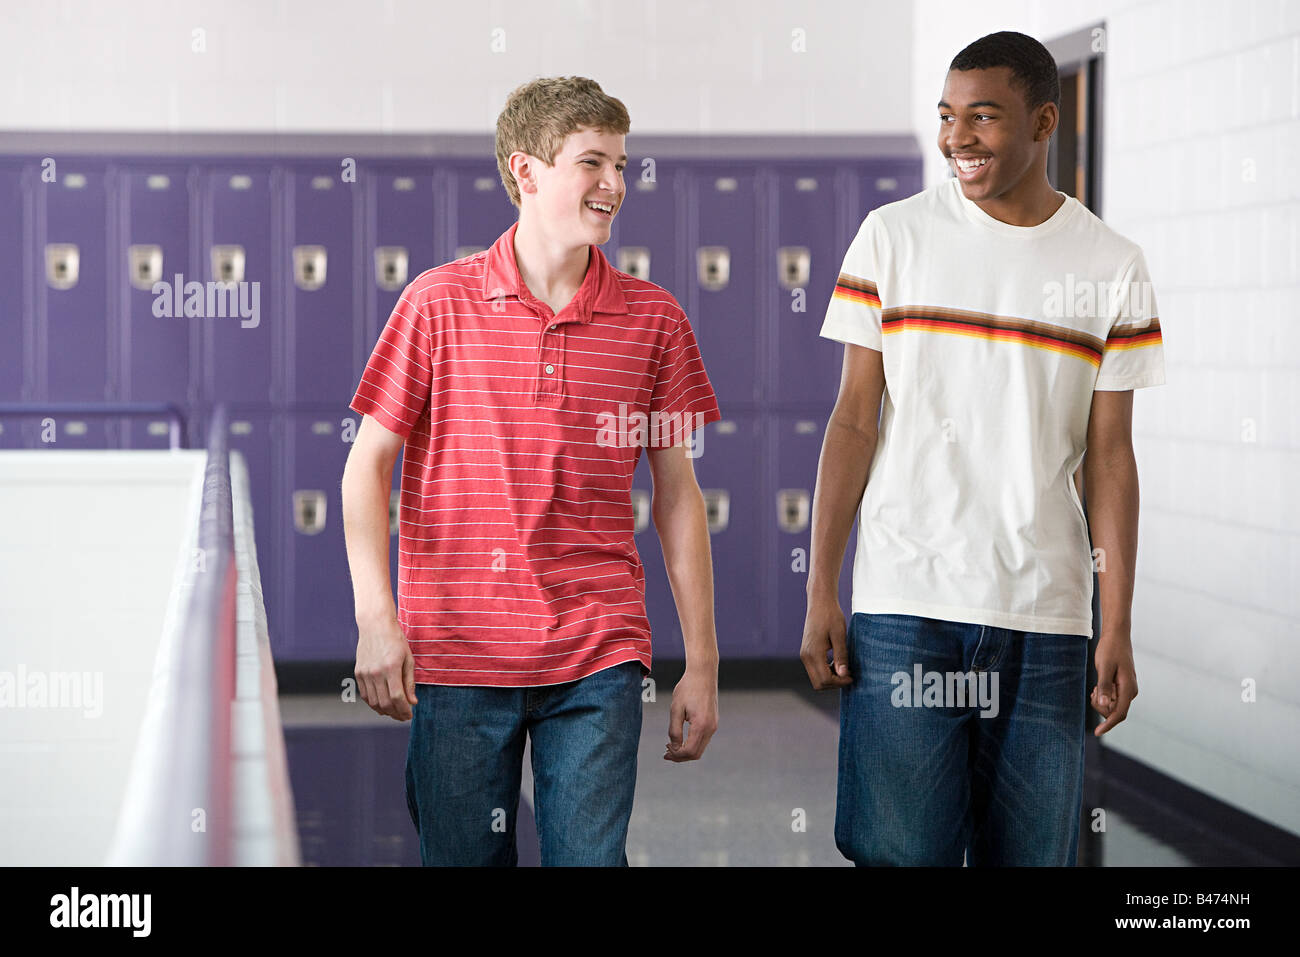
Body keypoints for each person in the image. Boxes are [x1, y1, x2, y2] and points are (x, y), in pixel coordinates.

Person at [801, 31, 1166, 866]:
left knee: (1031, 855)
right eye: (947, 116)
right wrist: (823, 583)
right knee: (899, 850)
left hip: (1046, 612)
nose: (957, 137)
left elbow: (1111, 458)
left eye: (984, 116)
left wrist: (1119, 621)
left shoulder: (1111, 266)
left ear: (1044, 120)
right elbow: (854, 419)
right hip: (905, 603)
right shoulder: (892, 238)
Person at [341, 76, 721, 867]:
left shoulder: (656, 319)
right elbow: (367, 467)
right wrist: (377, 618)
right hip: (456, 651)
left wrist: (703, 662)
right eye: (593, 163)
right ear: (527, 171)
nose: (615, 185)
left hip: (598, 651)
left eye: (622, 164)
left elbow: (678, 497)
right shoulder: (434, 305)